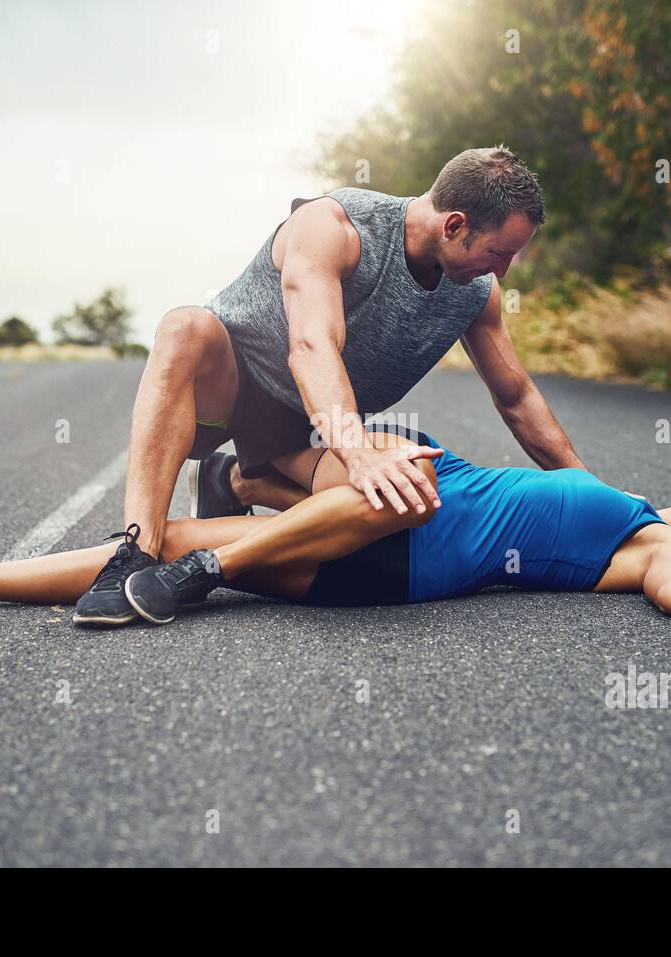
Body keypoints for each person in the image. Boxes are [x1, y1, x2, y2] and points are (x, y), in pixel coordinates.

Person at [79, 145, 591, 628]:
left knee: (394, 500)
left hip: (306, 426)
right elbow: (312, 346)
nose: (503, 269)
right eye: (500, 252)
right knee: (184, 326)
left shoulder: (477, 293)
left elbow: (516, 396)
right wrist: (358, 452)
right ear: (454, 224)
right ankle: (135, 555)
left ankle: (238, 481)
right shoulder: (336, 226)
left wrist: (592, 495)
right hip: (228, 390)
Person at [0, 427, 671, 646]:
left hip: (408, 544)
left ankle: (206, 560)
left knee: (192, 542)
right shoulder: (645, 512)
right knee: (164, 533)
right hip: (412, 493)